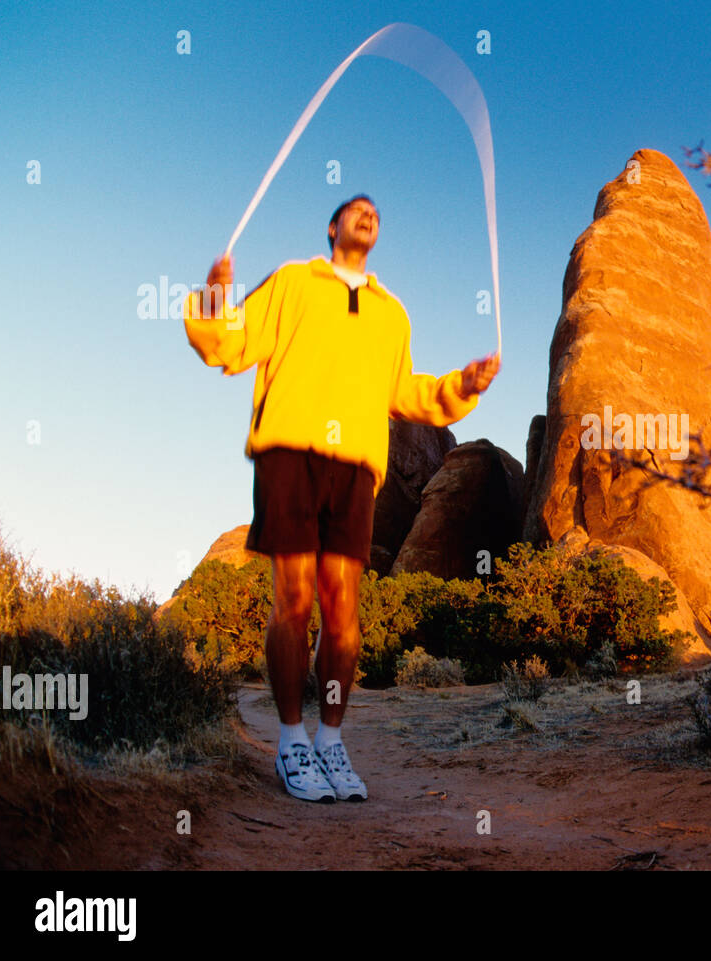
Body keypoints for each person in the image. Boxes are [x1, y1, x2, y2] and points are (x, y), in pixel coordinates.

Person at [183, 194, 499, 802]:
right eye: (356, 209)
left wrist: (462, 385)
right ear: (332, 227)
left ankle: (330, 741)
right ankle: (290, 740)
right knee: (294, 596)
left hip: (356, 466)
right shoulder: (293, 283)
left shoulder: (391, 313)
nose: (368, 214)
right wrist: (215, 302)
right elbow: (231, 345)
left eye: (376, 211)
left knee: (344, 609)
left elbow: (405, 391)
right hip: (290, 452)